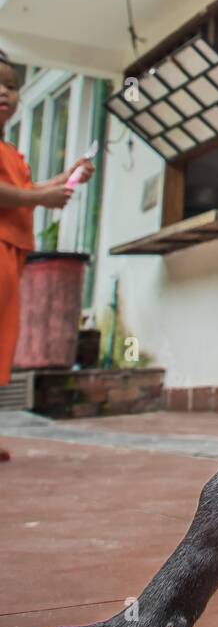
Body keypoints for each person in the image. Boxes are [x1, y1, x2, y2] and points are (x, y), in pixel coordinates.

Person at [0, 51, 95, 457]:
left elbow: (27, 193)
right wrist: (43, 197)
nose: (6, 93)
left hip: (13, 250)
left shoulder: (10, 153)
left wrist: (65, 179)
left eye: (12, 86)